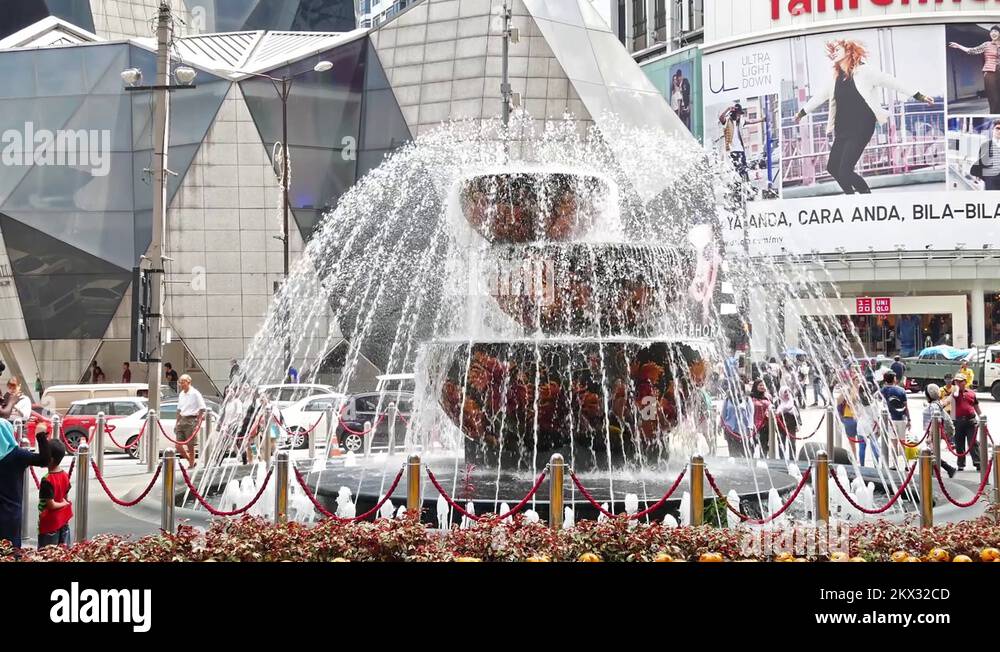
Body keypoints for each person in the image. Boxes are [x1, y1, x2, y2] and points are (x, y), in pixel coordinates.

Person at [794, 39, 934, 194]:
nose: (834, 52)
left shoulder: (865, 72)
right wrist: (802, 113)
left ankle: (866, 197)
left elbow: (891, 81)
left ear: (848, 52)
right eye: (832, 50)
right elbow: (819, 96)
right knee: (832, 168)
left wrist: (918, 95)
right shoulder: (835, 78)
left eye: (837, 49)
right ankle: (852, 197)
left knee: (845, 170)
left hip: (861, 128)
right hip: (842, 129)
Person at [0, 420, 51, 550]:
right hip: (11, 513)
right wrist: (41, 435)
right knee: (10, 551)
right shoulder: (17, 455)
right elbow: (45, 460)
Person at [949, 26, 1000, 114]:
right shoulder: (986, 44)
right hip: (990, 72)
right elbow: (972, 50)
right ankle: (993, 115)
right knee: (993, 99)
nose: (993, 33)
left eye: (996, 31)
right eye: (991, 32)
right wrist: (959, 46)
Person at [37, 438, 72, 547]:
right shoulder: (65, 475)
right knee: (63, 552)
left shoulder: (47, 480)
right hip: (63, 520)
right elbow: (65, 497)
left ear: (50, 459)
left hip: (49, 523)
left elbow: (51, 504)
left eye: (43, 454)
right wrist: (64, 503)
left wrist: (63, 503)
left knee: (47, 553)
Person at [720, 102, 764, 184]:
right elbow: (721, 118)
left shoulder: (740, 122)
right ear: (734, 113)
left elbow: (751, 121)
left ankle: (747, 187)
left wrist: (762, 120)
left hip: (741, 150)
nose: (739, 116)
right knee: (738, 171)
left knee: (744, 170)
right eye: (738, 114)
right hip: (732, 151)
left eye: (740, 114)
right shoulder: (727, 121)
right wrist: (727, 109)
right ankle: (738, 187)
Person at [922, 384, 957, 479]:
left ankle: (947, 469)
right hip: (936, 431)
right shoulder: (937, 403)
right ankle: (942, 470)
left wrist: (930, 436)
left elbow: (935, 420)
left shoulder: (934, 405)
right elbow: (947, 401)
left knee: (932, 453)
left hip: (935, 432)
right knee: (932, 452)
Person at [951, 375, 982, 472]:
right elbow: (952, 401)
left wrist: (981, 417)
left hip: (970, 420)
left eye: (960, 381)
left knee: (972, 442)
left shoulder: (971, 393)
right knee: (959, 443)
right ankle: (961, 464)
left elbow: (976, 406)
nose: (958, 383)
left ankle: (977, 462)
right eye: (956, 382)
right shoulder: (954, 394)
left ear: (965, 382)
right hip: (958, 421)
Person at [175, 374, 206, 469]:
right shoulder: (181, 394)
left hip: (191, 419)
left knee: (190, 445)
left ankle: (191, 464)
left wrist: (198, 423)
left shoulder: (195, 393)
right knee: (178, 446)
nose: (181, 384)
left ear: (189, 382)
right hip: (182, 419)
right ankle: (190, 460)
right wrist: (176, 423)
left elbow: (202, 408)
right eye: (180, 382)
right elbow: (179, 410)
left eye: (183, 382)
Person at [880, 371, 910, 463]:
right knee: (903, 442)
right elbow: (906, 406)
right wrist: (909, 419)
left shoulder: (883, 390)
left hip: (890, 420)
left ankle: (895, 463)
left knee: (893, 443)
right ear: (894, 379)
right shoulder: (901, 390)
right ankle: (906, 463)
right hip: (901, 418)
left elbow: (879, 401)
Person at [973, 121, 1000, 191]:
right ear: (993, 130)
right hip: (991, 181)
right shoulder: (985, 146)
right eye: (997, 128)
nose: (999, 131)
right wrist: (987, 178)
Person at [774, 385, 799, 460]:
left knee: (792, 444)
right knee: (781, 444)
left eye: (788, 391)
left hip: (791, 426)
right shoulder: (778, 403)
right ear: (781, 393)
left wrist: (798, 424)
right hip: (781, 426)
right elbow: (775, 414)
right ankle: (782, 459)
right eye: (785, 392)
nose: (787, 393)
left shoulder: (793, 402)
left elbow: (797, 414)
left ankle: (793, 459)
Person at [749, 379, 772, 456]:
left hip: (765, 426)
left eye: (763, 385)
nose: (762, 387)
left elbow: (771, 408)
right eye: (760, 385)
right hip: (754, 425)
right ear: (756, 386)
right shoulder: (750, 398)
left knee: (764, 446)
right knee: (751, 446)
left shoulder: (767, 397)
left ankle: (764, 462)